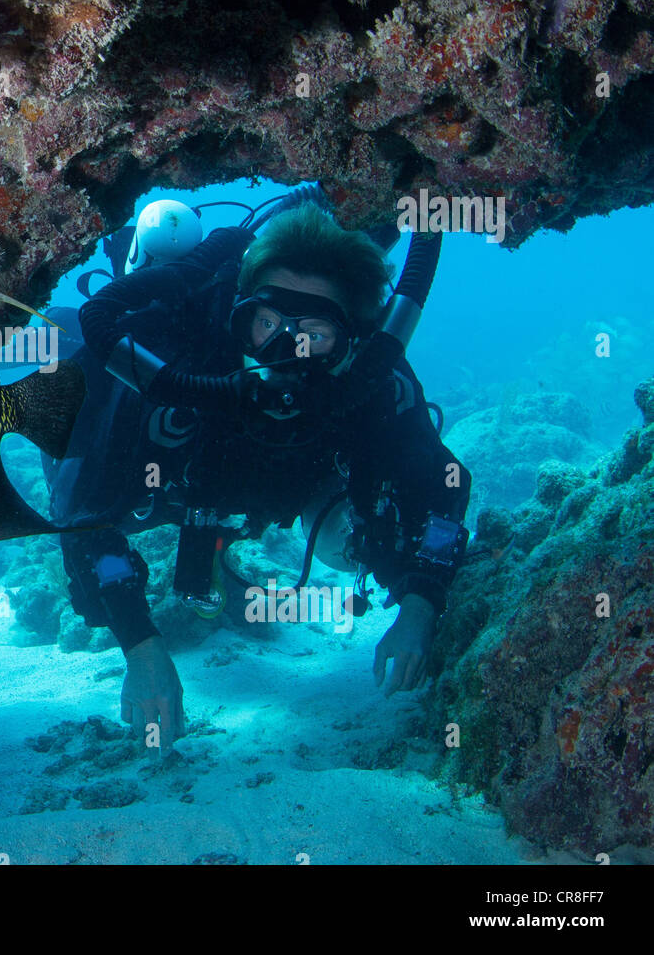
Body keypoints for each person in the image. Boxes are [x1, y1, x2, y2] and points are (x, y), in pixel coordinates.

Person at [46, 197, 470, 753]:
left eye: (314, 333)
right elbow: (87, 522)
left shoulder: (371, 380)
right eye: (266, 323)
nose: (283, 351)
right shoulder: (175, 355)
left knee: (374, 542)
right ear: (237, 316)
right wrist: (141, 647)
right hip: (169, 482)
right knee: (75, 524)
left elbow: (446, 488)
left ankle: (233, 557)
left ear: (353, 342)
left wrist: (420, 603)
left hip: (302, 485)